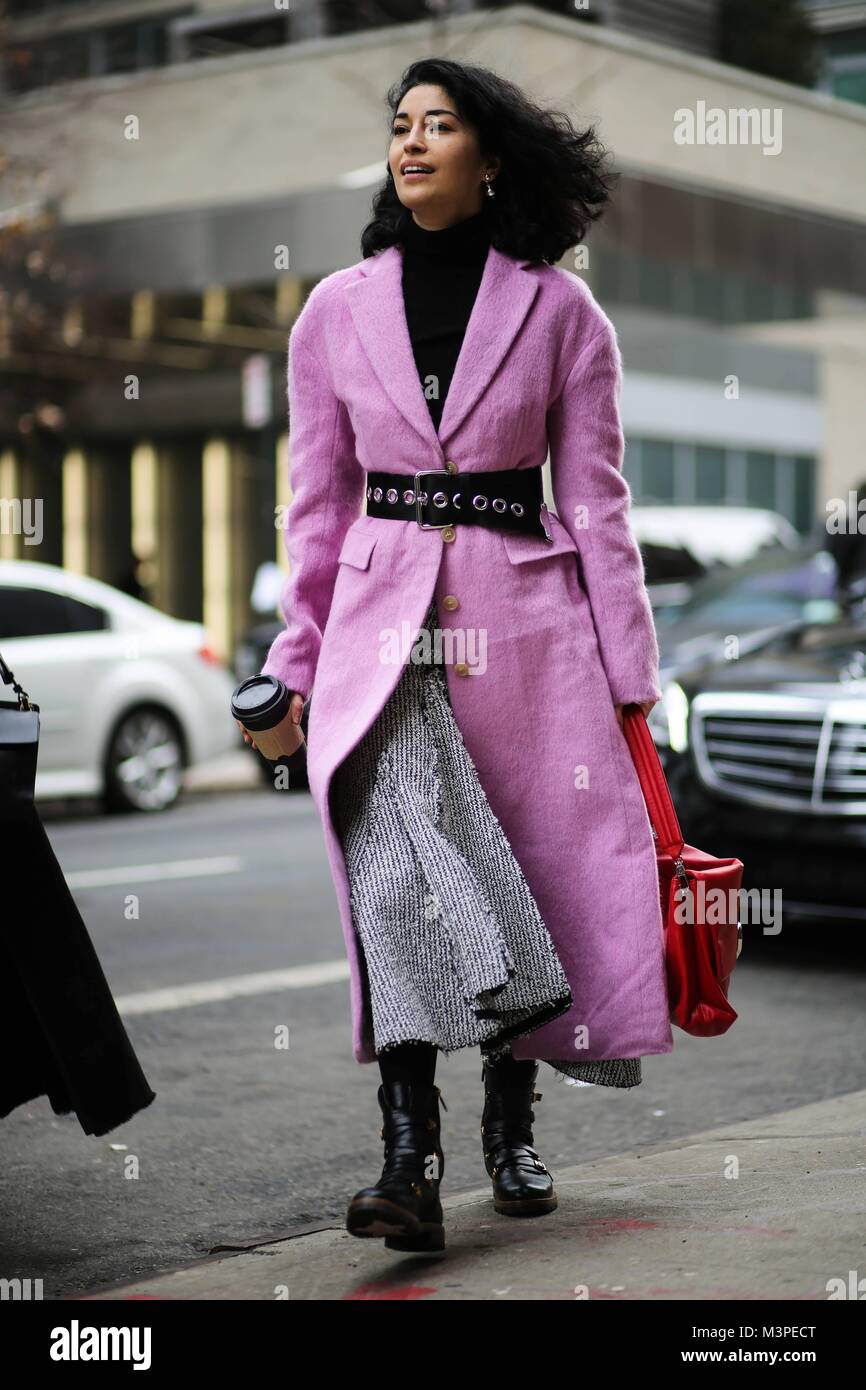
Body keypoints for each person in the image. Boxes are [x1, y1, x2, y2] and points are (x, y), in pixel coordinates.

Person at [247, 58, 670, 1254]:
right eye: (399, 126)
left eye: (440, 125)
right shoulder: (332, 311)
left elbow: (596, 503)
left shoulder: (558, 311)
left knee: (519, 869)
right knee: (397, 884)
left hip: (528, 633)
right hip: (380, 640)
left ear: (490, 162)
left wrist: (631, 675)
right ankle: (406, 1158)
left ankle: (510, 1125)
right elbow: (314, 507)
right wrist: (293, 655)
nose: (412, 141)